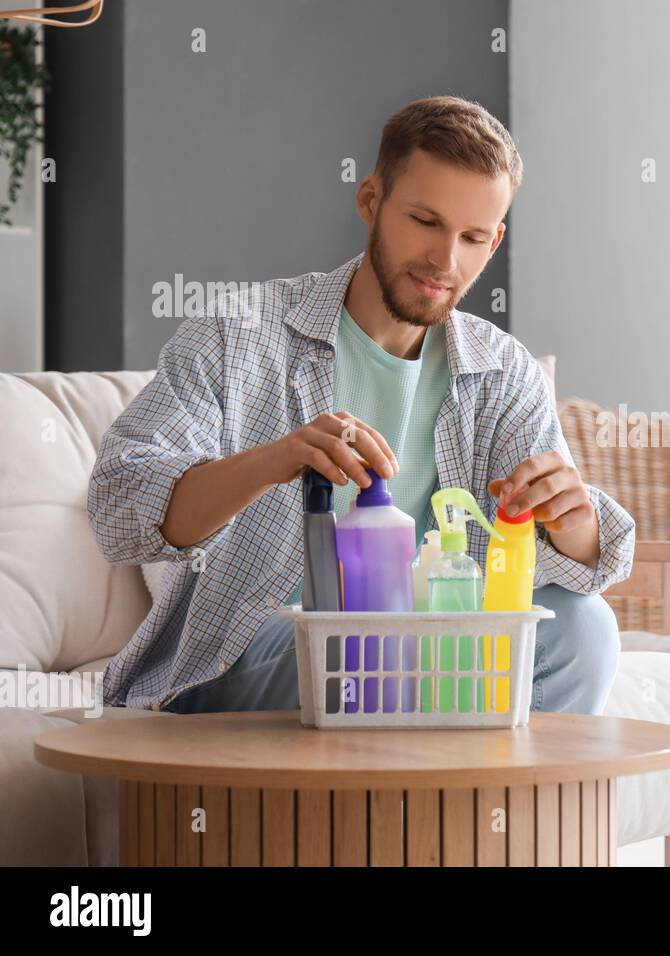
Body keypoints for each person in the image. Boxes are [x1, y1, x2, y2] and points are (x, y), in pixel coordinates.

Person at [87, 96, 634, 716]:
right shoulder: (239, 331)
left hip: (419, 652)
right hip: (250, 659)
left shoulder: (504, 371)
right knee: (359, 652)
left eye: (473, 237)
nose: (445, 261)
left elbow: (577, 565)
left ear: (494, 240)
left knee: (582, 630)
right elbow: (118, 506)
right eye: (425, 221)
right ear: (371, 200)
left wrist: (575, 523)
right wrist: (276, 461)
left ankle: (479, 805)